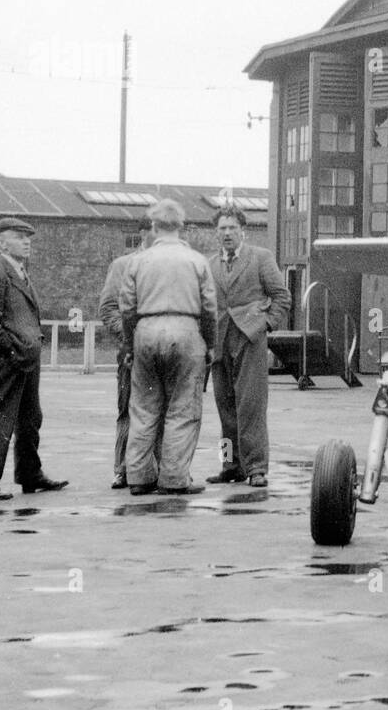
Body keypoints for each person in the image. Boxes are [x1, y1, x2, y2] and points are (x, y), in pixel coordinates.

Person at [118, 199, 217, 496]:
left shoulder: (138, 261)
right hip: (186, 330)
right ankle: (173, 478)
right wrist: (210, 344)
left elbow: (126, 307)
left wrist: (129, 343)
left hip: (146, 330)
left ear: (153, 226)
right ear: (181, 226)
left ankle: (138, 476)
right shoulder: (197, 261)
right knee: (183, 408)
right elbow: (210, 308)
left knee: (144, 408)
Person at [0, 217, 68, 502]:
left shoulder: (20, 272)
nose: (27, 242)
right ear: (2, 243)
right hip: (7, 360)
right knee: (0, 419)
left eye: (29, 238)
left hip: (25, 358)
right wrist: (13, 351)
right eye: (19, 237)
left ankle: (29, 474)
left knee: (30, 418)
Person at [206, 206, 290, 488]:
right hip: (220, 341)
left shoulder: (261, 258)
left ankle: (256, 469)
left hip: (249, 338)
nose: (227, 233)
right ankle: (230, 466)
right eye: (222, 228)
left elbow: (281, 297)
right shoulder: (209, 265)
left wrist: (265, 325)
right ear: (216, 233)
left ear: (244, 230)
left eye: (232, 228)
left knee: (250, 407)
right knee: (224, 407)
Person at [98, 226, 160, 489]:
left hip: (167, 350)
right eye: (157, 228)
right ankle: (123, 469)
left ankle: (166, 469)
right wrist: (130, 337)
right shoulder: (122, 265)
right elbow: (109, 308)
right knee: (128, 410)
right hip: (132, 352)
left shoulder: (176, 264)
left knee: (167, 411)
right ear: (144, 232)